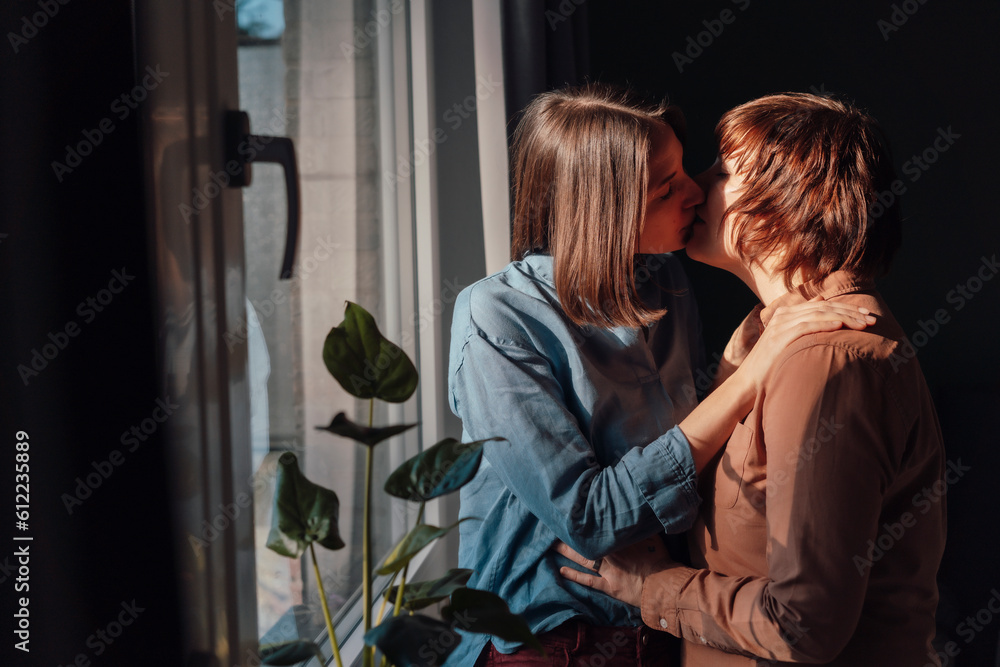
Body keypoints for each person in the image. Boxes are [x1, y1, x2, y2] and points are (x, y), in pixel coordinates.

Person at [445, 85, 876, 666]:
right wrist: (749, 376)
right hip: (548, 639)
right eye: (666, 187)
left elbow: (696, 455)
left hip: (663, 624)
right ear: (604, 211)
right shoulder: (497, 316)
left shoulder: (666, 281)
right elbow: (588, 518)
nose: (695, 190)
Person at [557, 92, 946, 667]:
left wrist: (652, 588)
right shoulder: (767, 337)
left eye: (721, 173)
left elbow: (803, 626)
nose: (694, 189)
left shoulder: (827, 361)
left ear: (784, 205)